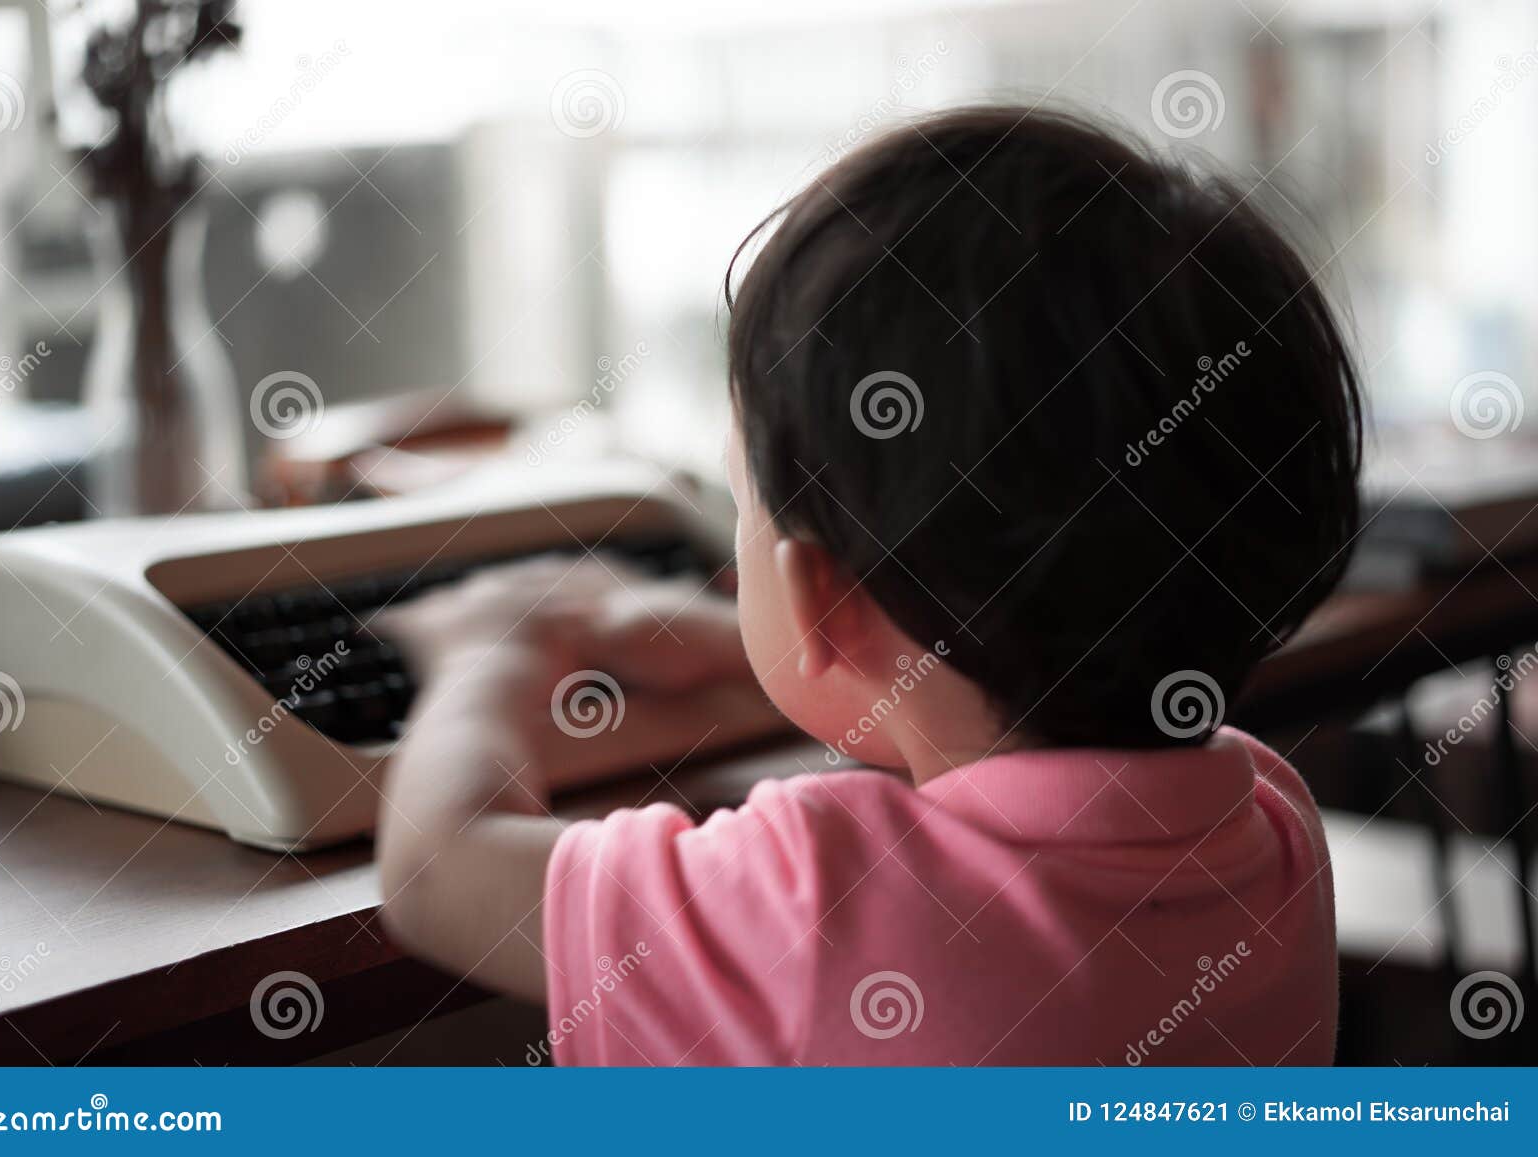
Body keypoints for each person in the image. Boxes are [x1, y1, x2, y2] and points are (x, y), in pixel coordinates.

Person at [375, 105, 1363, 1065]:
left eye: (741, 500)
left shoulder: (815, 899)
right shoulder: (1270, 822)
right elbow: (986, 678)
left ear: (822, 598)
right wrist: (729, 637)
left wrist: (485, 653)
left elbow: (435, 868)